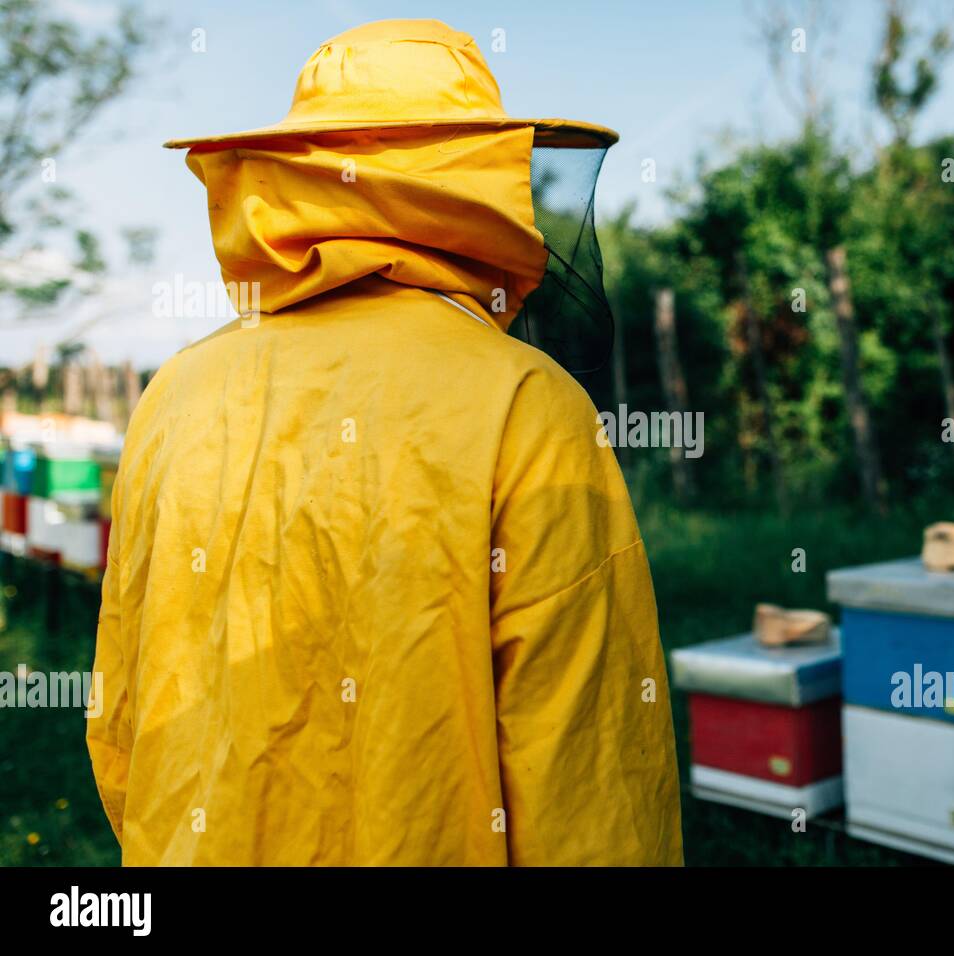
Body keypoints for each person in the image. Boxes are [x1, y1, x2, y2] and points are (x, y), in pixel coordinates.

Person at [86, 19, 683, 866]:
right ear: (474, 178)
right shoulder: (529, 404)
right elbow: (590, 789)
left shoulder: (175, 392)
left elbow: (122, 715)